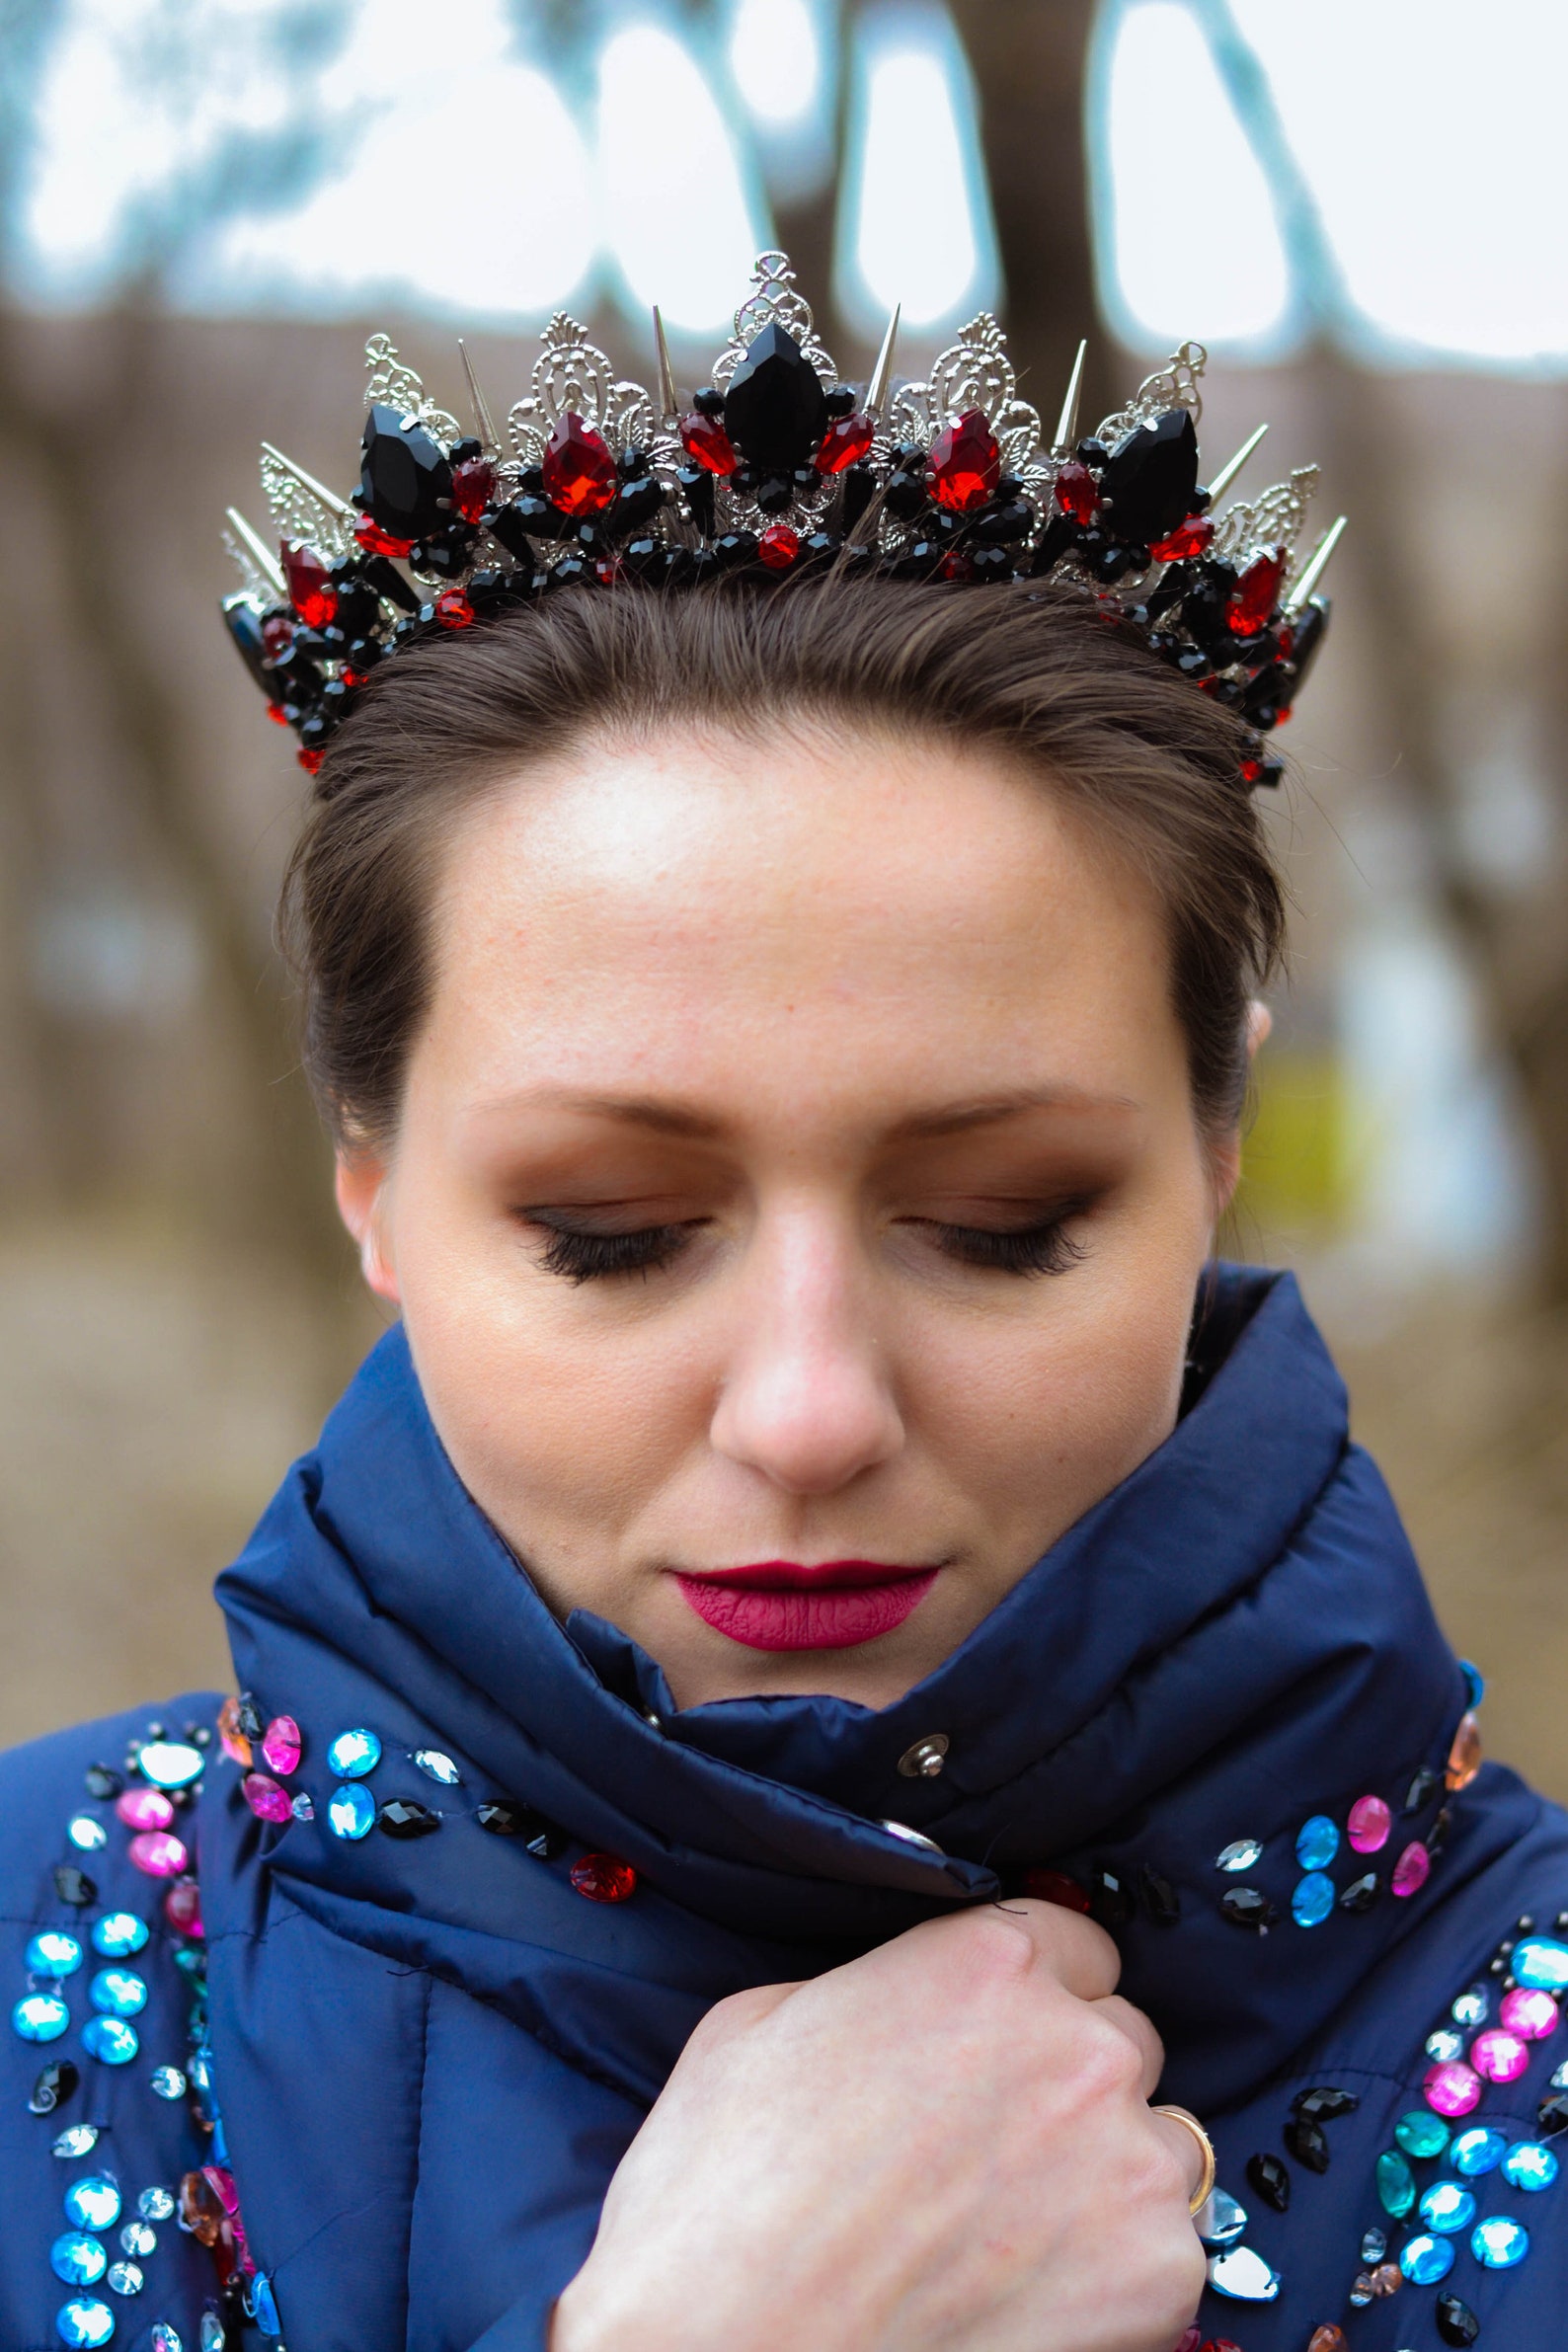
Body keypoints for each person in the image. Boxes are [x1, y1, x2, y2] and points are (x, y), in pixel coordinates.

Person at [3, 261, 1564, 2352]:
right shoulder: (38, 1942)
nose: (809, 1413)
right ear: (368, 1184)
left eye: (1003, 1221)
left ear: (1210, 1159)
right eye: (612, 1231)